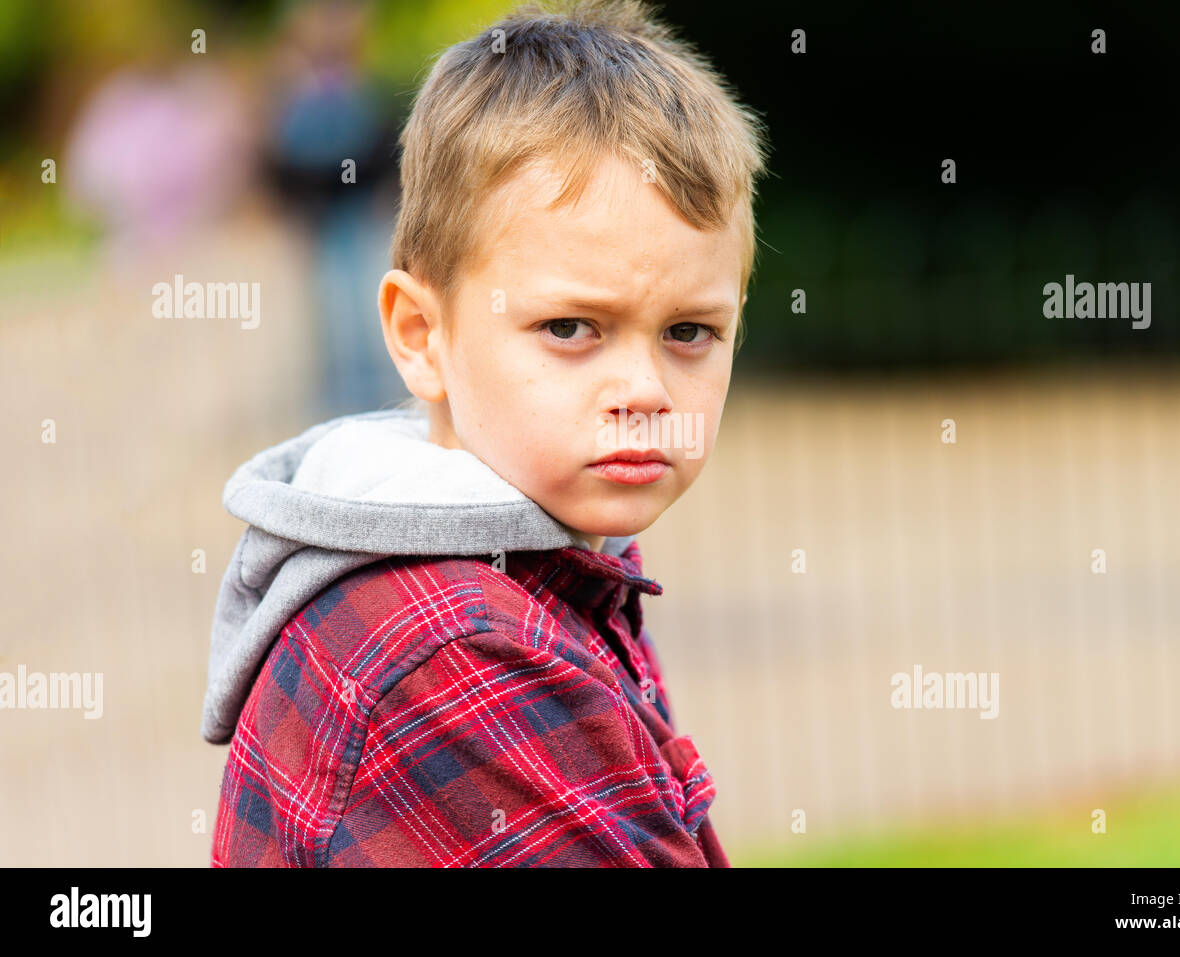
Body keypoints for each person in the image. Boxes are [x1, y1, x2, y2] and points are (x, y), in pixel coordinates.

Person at [202, 0, 769, 867]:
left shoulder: (556, 557)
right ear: (422, 337)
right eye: (572, 328)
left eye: (689, 332)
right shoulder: (456, 648)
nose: (646, 390)